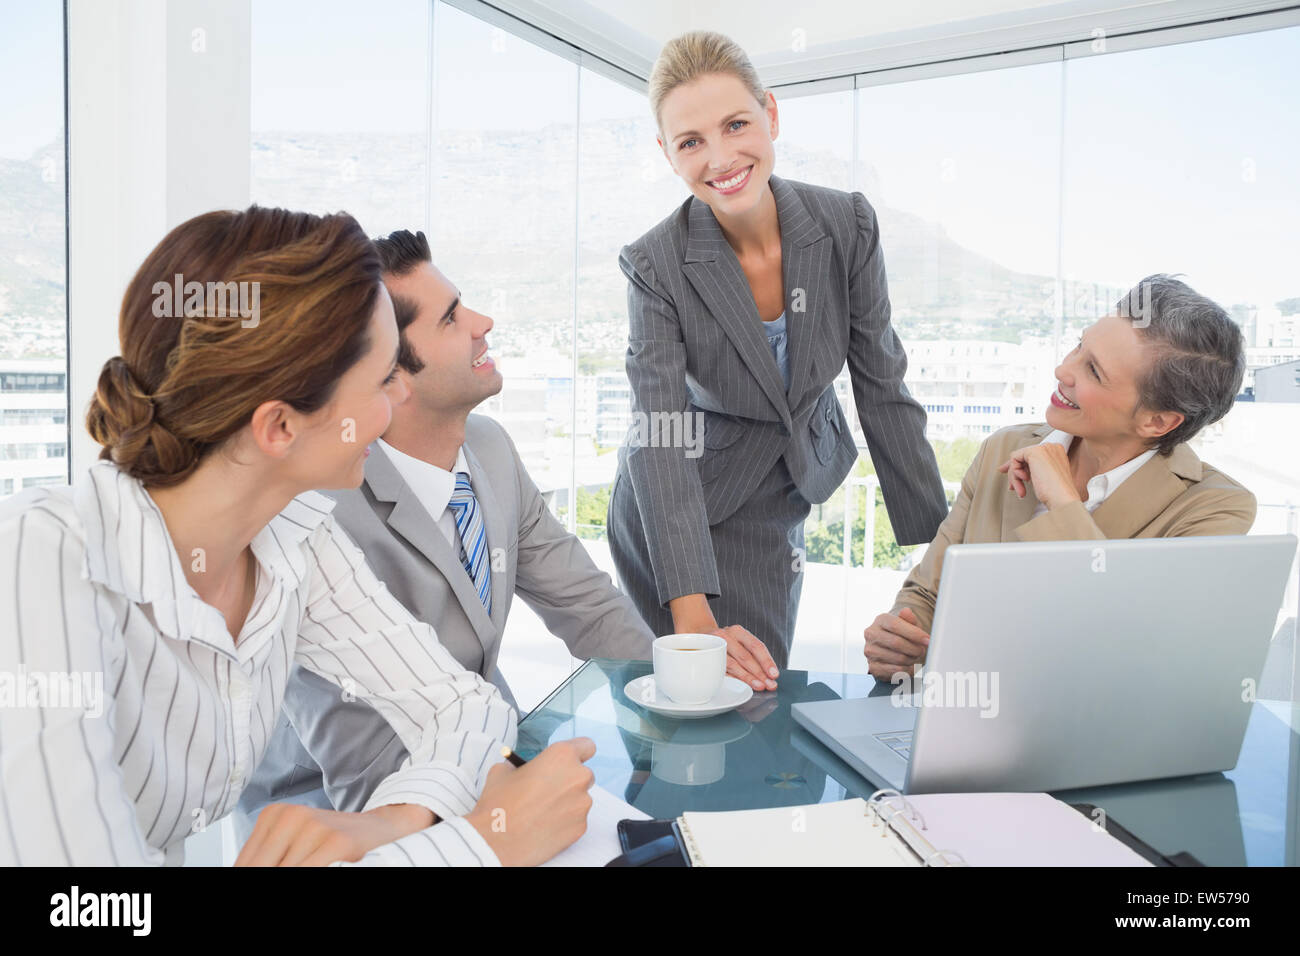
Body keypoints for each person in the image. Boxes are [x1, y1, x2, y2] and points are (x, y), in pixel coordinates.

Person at [0, 206, 595, 867]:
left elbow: (464, 707)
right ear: (279, 427)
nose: (397, 401)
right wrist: (482, 845)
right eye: (381, 379)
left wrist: (389, 822)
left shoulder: (291, 534)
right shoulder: (44, 558)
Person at [237, 229, 655, 827]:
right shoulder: (318, 508)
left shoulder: (490, 449)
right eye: (452, 319)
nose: (483, 322)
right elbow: (365, 764)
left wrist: (674, 689)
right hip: (340, 806)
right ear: (388, 372)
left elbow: (587, 606)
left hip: (486, 749)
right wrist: (506, 812)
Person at [607, 31, 949, 679]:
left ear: (771, 113)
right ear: (666, 153)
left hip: (781, 493)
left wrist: (939, 560)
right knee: (706, 697)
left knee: (759, 698)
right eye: (690, 142)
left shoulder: (846, 225)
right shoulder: (655, 263)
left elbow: (883, 385)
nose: (720, 157)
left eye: (736, 124)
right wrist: (692, 616)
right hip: (680, 509)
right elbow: (659, 435)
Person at [863, 275, 1256, 680]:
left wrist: (1063, 504)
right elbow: (929, 592)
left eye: (1094, 372)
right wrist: (901, 639)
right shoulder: (1003, 447)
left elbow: (1132, 651)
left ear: (1157, 420)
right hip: (962, 714)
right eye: (1079, 346)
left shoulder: (1215, 508)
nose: (1063, 370)